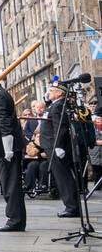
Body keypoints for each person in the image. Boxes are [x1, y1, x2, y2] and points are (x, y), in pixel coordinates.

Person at [42, 80, 80, 218]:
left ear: (59, 93)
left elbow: (60, 127)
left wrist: (58, 146)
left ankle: (72, 207)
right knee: (61, 176)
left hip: (55, 145)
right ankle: (71, 205)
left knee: (64, 177)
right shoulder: (55, 104)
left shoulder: (58, 106)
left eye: (51, 91)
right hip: (51, 145)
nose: (49, 93)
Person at [0, 82, 26, 231]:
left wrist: (6, 147)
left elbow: (2, 121)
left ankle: (15, 220)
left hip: (6, 146)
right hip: (6, 145)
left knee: (10, 185)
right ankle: (15, 218)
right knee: (9, 184)